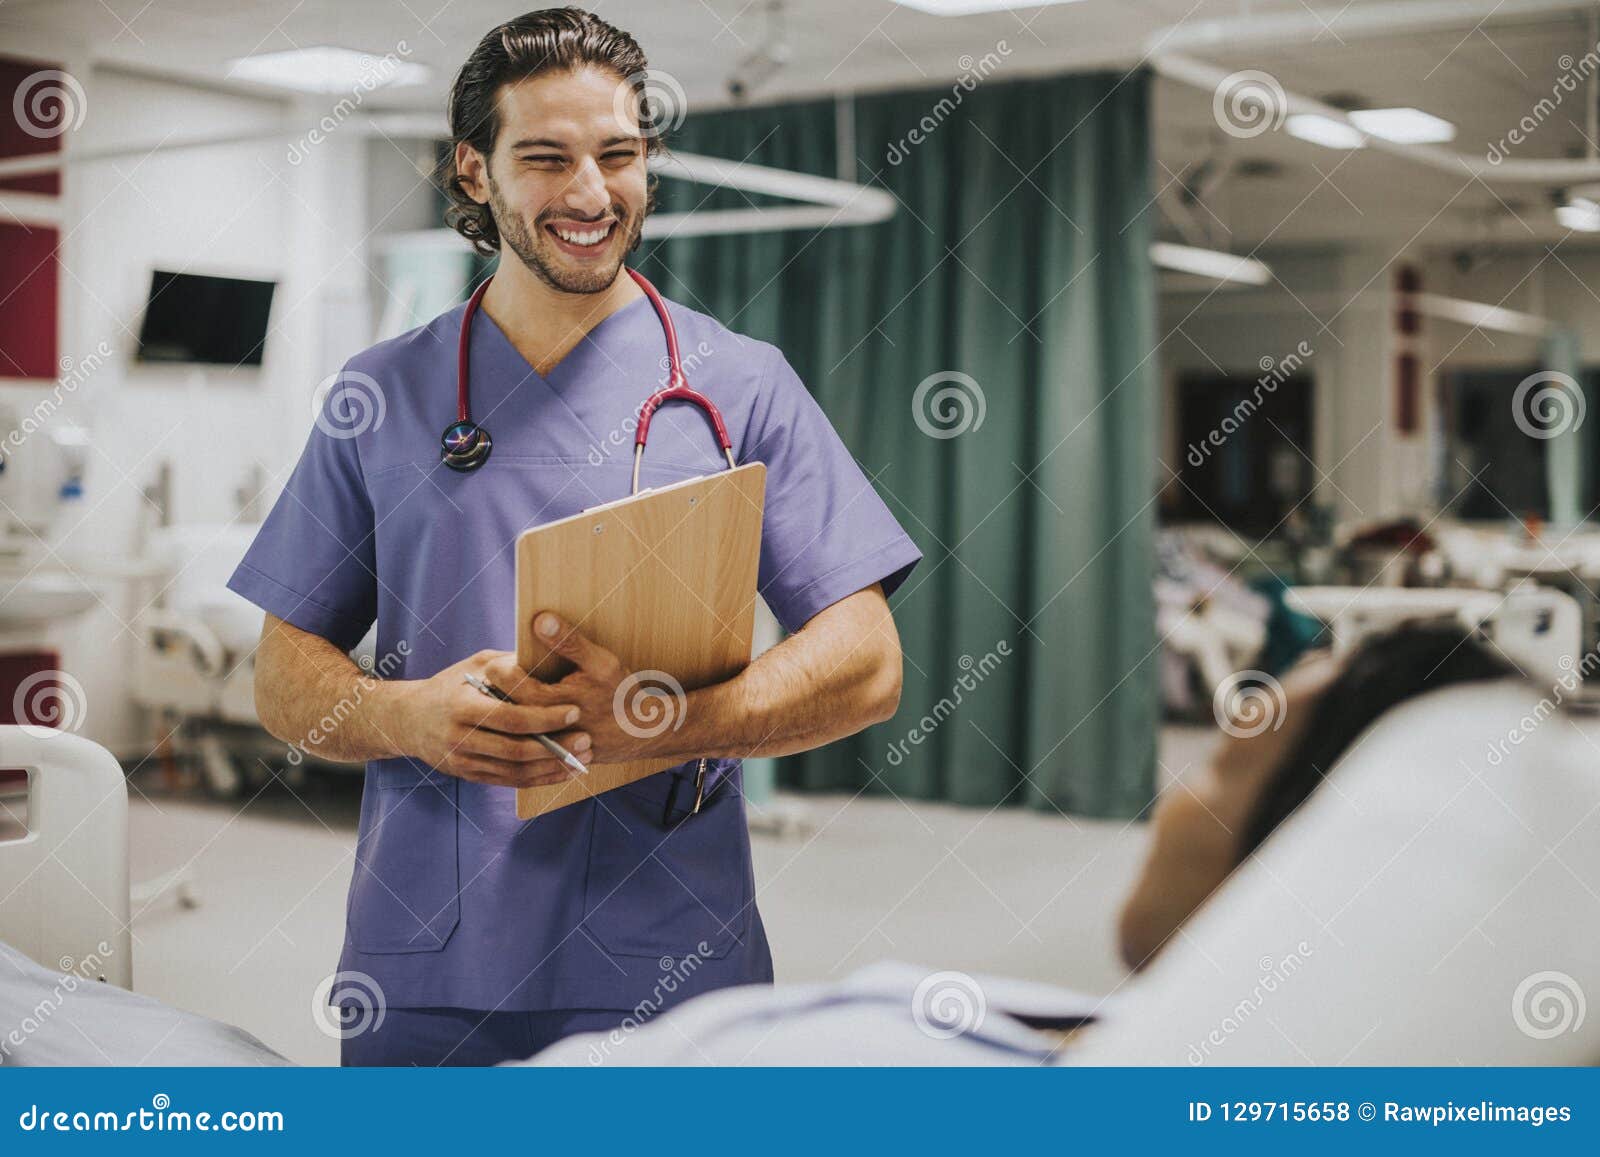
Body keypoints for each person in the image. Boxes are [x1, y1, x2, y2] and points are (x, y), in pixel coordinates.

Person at [229, 7, 921, 1067]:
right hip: (429, 953)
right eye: (545, 158)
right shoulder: (380, 394)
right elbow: (281, 675)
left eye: (619, 155)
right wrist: (407, 714)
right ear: (474, 171)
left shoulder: (739, 384)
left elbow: (868, 662)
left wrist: (676, 721)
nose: (591, 194)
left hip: (674, 953)